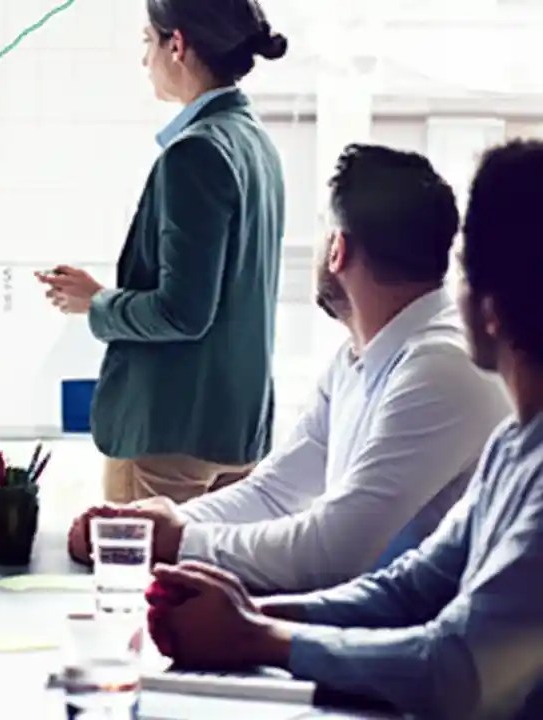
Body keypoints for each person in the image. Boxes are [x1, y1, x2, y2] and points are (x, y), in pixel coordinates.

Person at [151, 138, 543, 720]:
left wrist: (256, 635)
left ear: (488, 310)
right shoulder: (516, 446)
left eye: (460, 271)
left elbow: (456, 667)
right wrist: (255, 612)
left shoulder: (445, 369)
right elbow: (410, 587)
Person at [68, 145, 510, 593]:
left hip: (419, 642)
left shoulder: (441, 367)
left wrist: (177, 539)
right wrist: (151, 524)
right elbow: (274, 492)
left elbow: (330, 553)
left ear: (336, 249)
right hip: (373, 622)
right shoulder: (359, 357)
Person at [38, 0, 287, 505]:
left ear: (178, 45)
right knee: (207, 582)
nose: (143, 59)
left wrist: (97, 302)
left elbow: (183, 312)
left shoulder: (195, 153)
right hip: (236, 430)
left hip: (169, 436)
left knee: (140, 582)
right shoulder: (256, 144)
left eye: (147, 42)